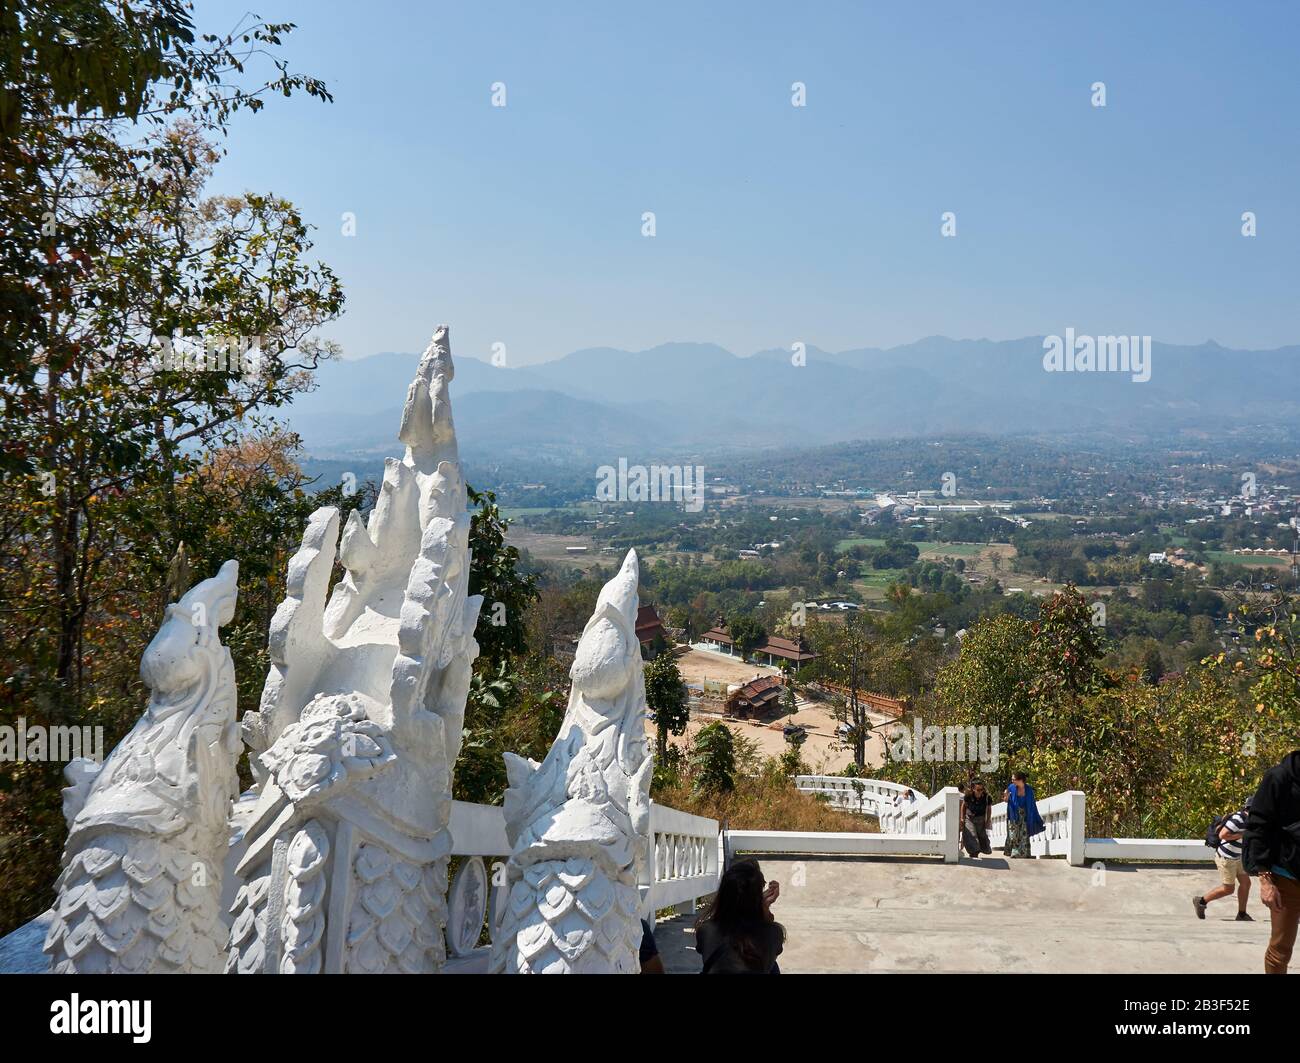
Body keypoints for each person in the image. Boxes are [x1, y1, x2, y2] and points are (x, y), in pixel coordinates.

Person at [1243, 749, 1300, 974]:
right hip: (1286, 878)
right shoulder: (1279, 777)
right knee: (1281, 949)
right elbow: (1258, 827)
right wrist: (1265, 880)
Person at [695, 858, 785, 974]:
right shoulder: (774, 932)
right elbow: (769, 952)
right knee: (772, 967)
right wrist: (763, 907)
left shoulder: (706, 930)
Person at [1193, 802, 1252, 922]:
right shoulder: (1238, 818)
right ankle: (1201, 901)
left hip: (1238, 857)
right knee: (1228, 889)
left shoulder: (1252, 820)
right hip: (1226, 858)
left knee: (1246, 883)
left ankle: (1241, 914)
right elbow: (1223, 835)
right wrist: (1242, 834)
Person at [1002, 772, 1044, 858]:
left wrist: (1032, 816)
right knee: (1013, 834)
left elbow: (1032, 804)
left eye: (1014, 779)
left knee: (1023, 834)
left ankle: (1024, 853)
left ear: (1020, 780)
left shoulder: (1029, 790)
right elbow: (1006, 800)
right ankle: (1015, 852)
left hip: (1025, 815)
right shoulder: (1011, 787)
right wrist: (1006, 796)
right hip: (1013, 814)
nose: (1012, 781)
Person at [962, 778, 993, 858]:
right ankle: (974, 852)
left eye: (982, 789)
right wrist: (962, 818)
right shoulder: (968, 796)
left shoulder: (987, 797)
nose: (980, 791)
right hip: (969, 818)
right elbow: (964, 806)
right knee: (971, 835)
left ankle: (980, 850)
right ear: (973, 789)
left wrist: (988, 820)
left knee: (981, 836)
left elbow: (989, 808)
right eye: (978, 790)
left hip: (981, 818)